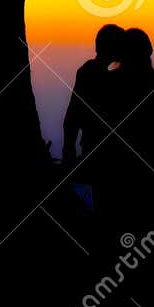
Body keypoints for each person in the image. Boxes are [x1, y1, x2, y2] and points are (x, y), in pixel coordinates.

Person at [107, 27, 154, 231]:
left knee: (122, 225)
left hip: (120, 165)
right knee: (151, 222)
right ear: (148, 53)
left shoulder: (112, 82)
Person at [62, 24, 125, 207]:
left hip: (94, 153)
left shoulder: (86, 72)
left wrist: (69, 151)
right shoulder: (117, 77)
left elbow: (72, 118)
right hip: (116, 159)